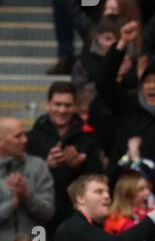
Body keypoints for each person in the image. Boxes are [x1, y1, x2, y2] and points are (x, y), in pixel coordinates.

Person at [25, 80, 105, 224]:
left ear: (75, 107)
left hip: (76, 219)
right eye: (57, 104)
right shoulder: (31, 138)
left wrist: (76, 167)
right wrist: (45, 166)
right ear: (48, 105)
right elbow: (23, 176)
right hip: (38, 220)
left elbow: (97, 179)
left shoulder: (89, 138)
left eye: (67, 105)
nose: (62, 110)